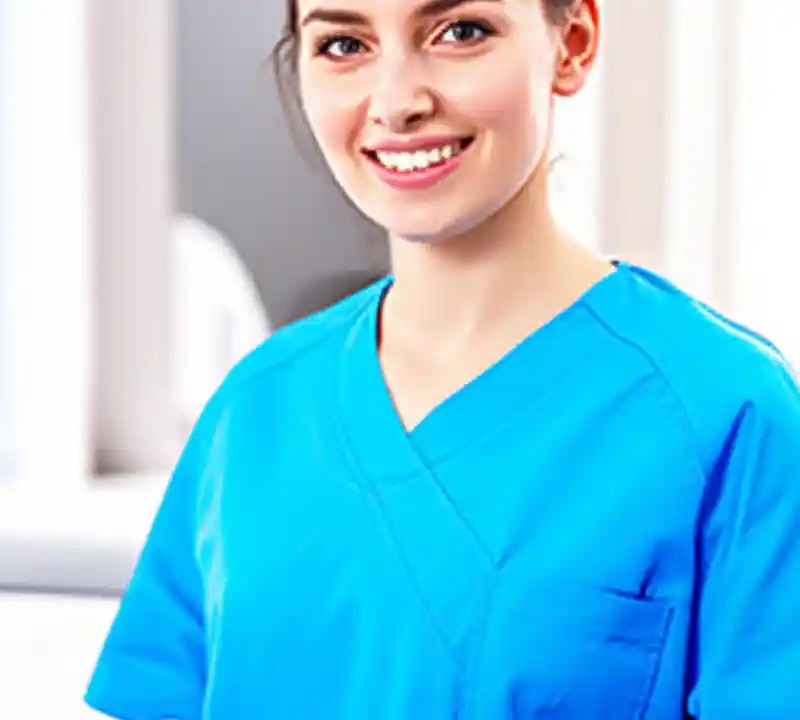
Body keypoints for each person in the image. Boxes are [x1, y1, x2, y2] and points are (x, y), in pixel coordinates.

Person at [85, 0, 800, 717]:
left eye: (461, 32)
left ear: (573, 43)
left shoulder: (726, 412)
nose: (397, 102)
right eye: (343, 44)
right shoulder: (255, 411)